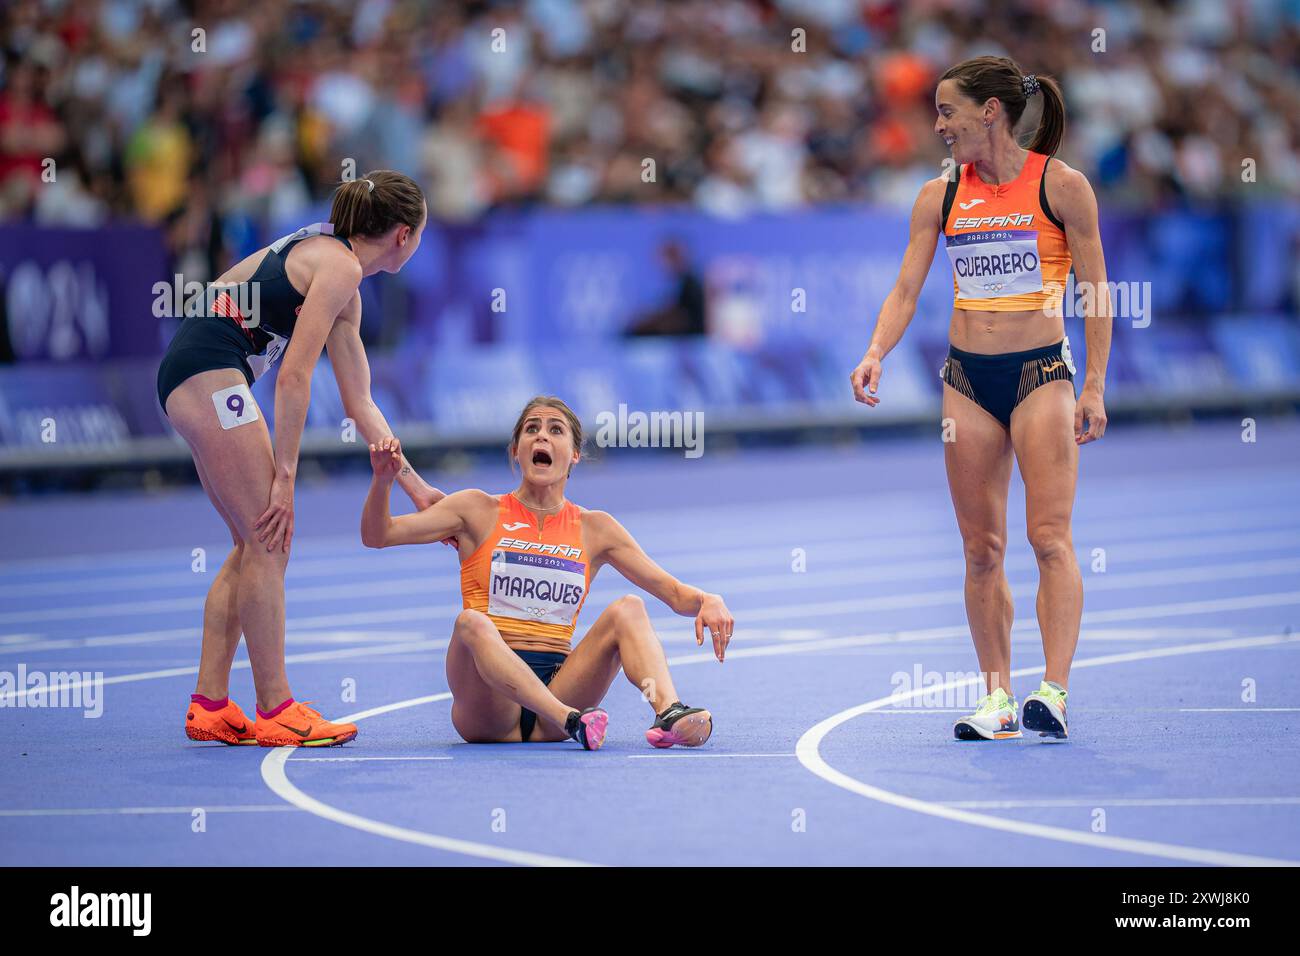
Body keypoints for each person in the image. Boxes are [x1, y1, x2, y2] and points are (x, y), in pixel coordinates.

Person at [850, 57, 1112, 741]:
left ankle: (1052, 691)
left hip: (1040, 375)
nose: (938, 125)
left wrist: (1094, 385)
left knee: (1048, 537)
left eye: (947, 112)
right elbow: (906, 289)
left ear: (989, 112)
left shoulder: (1062, 185)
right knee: (980, 550)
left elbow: (1096, 293)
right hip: (967, 377)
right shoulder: (938, 195)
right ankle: (997, 698)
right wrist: (876, 350)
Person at [159, 170, 443, 747]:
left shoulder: (342, 282)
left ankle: (210, 704)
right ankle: (276, 708)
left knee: (251, 541)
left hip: (196, 370)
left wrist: (416, 488)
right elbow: (292, 378)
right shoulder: (337, 266)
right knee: (271, 535)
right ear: (404, 236)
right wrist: (285, 477)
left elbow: (360, 402)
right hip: (209, 370)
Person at [360, 396, 733, 750]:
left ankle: (667, 711)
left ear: (573, 456)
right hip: (489, 704)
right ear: (516, 451)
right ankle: (572, 722)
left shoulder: (595, 528)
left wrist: (707, 600)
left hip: (560, 684)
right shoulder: (475, 510)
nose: (542, 435)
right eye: (531, 429)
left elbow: (672, 592)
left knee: (629, 608)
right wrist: (382, 481)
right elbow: (378, 536)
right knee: (470, 621)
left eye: (555, 430)